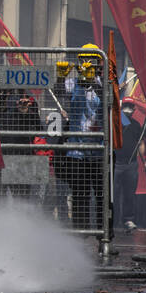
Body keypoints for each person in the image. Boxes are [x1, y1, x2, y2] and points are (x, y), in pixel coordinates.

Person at [56, 44, 104, 232]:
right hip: (76, 149)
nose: (87, 63)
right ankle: (80, 230)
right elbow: (60, 94)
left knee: (101, 194)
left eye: (91, 59)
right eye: (84, 59)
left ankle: (102, 232)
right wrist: (61, 77)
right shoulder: (72, 82)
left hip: (98, 148)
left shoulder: (103, 83)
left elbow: (109, 103)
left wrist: (94, 81)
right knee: (80, 192)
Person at [113, 98, 146, 234]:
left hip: (131, 164)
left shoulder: (136, 125)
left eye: (130, 106)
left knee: (129, 194)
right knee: (114, 193)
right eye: (126, 106)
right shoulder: (115, 123)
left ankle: (128, 219)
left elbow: (140, 143)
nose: (128, 109)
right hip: (116, 163)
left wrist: (143, 159)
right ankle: (114, 220)